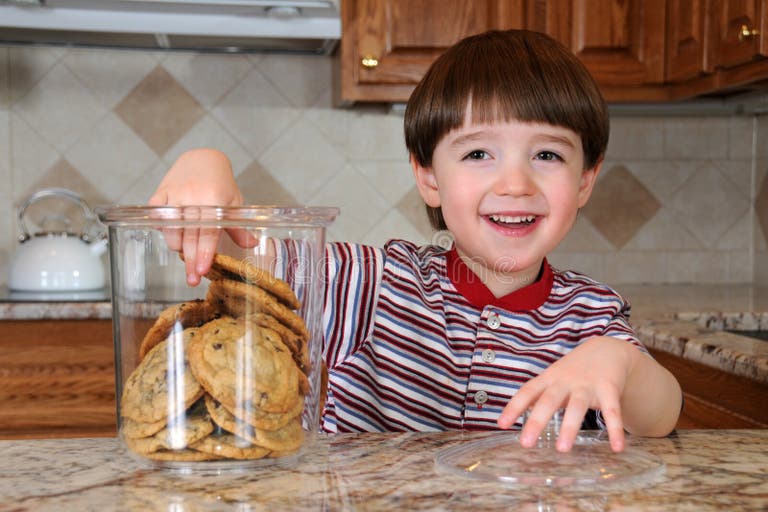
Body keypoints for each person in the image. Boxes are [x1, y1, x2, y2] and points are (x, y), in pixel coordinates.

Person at [150, 29, 682, 453]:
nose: (516, 184)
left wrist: (618, 361)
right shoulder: (374, 285)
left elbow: (662, 416)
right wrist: (207, 169)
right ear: (428, 176)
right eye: (478, 154)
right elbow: (242, 257)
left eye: (548, 155)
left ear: (586, 179)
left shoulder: (590, 315)